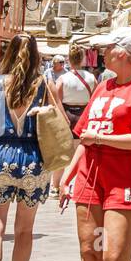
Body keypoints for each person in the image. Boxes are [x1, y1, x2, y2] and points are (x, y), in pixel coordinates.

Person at [59, 27, 131, 261]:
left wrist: (99, 139)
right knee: (89, 255)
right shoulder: (103, 87)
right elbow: (84, 137)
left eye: (107, 48)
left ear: (122, 53)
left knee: (115, 258)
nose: (102, 53)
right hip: (89, 179)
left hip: (124, 179)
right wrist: (67, 176)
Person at [0, 33, 61, 261]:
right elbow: (61, 124)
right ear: (35, 55)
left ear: (8, 52)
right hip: (34, 161)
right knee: (24, 230)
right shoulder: (45, 85)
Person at [51, 46, 96, 197]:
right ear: (83, 59)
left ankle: (55, 186)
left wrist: (62, 117)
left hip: (66, 115)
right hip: (85, 115)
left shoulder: (63, 79)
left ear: (69, 60)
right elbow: (95, 99)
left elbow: (57, 100)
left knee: (62, 154)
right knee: (82, 153)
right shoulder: (91, 78)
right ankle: (79, 185)